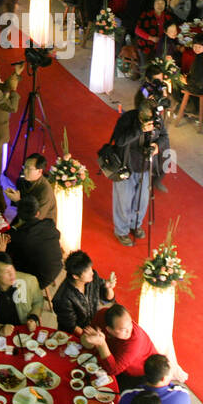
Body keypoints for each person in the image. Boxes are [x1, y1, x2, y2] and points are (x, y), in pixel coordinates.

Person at [108, 103, 166, 247]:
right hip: (125, 166)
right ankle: (121, 230)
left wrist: (157, 146)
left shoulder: (157, 120)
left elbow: (164, 137)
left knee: (143, 199)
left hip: (145, 166)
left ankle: (135, 224)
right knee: (124, 201)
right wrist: (139, 130)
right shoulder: (127, 119)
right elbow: (120, 141)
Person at [0, 252, 42, 336]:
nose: (12, 274)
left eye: (12, 268)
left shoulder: (30, 280)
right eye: (6, 272)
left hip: (25, 329)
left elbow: (38, 302)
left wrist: (33, 318)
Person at [52, 250, 116, 335]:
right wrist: (90, 338)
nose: (92, 273)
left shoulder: (93, 277)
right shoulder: (62, 298)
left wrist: (109, 288)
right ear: (75, 276)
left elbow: (108, 299)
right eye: (87, 272)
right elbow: (72, 326)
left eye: (91, 269)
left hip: (92, 326)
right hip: (73, 334)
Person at [7, 195, 64, 291]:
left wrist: (13, 228)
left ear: (19, 215)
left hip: (36, 280)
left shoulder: (19, 236)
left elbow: (8, 249)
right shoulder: (49, 224)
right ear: (37, 213)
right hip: (56, 268)